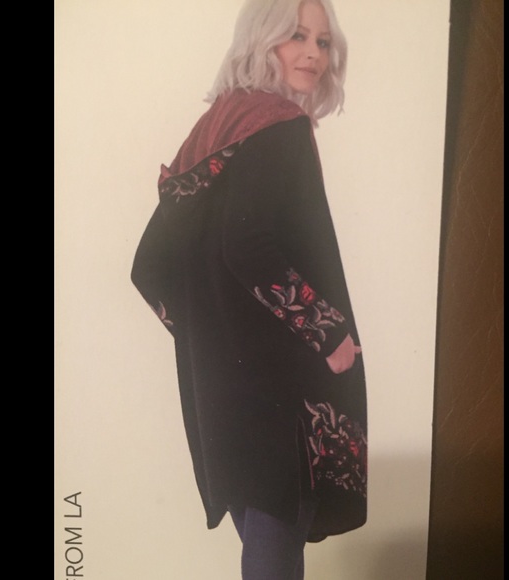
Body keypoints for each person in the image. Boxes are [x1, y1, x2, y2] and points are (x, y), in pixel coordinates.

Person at [131, 0, 367, 577]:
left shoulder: (217, 127)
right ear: (261, 40)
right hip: (278, 389)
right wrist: (328, 333)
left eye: (322, 41)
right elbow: (247, 245)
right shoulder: (278, 124)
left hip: (220, 389)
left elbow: (151, 266)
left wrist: (211, 334)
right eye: (296, 37)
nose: (313, 54)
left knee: (265, 544)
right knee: (276, 550)